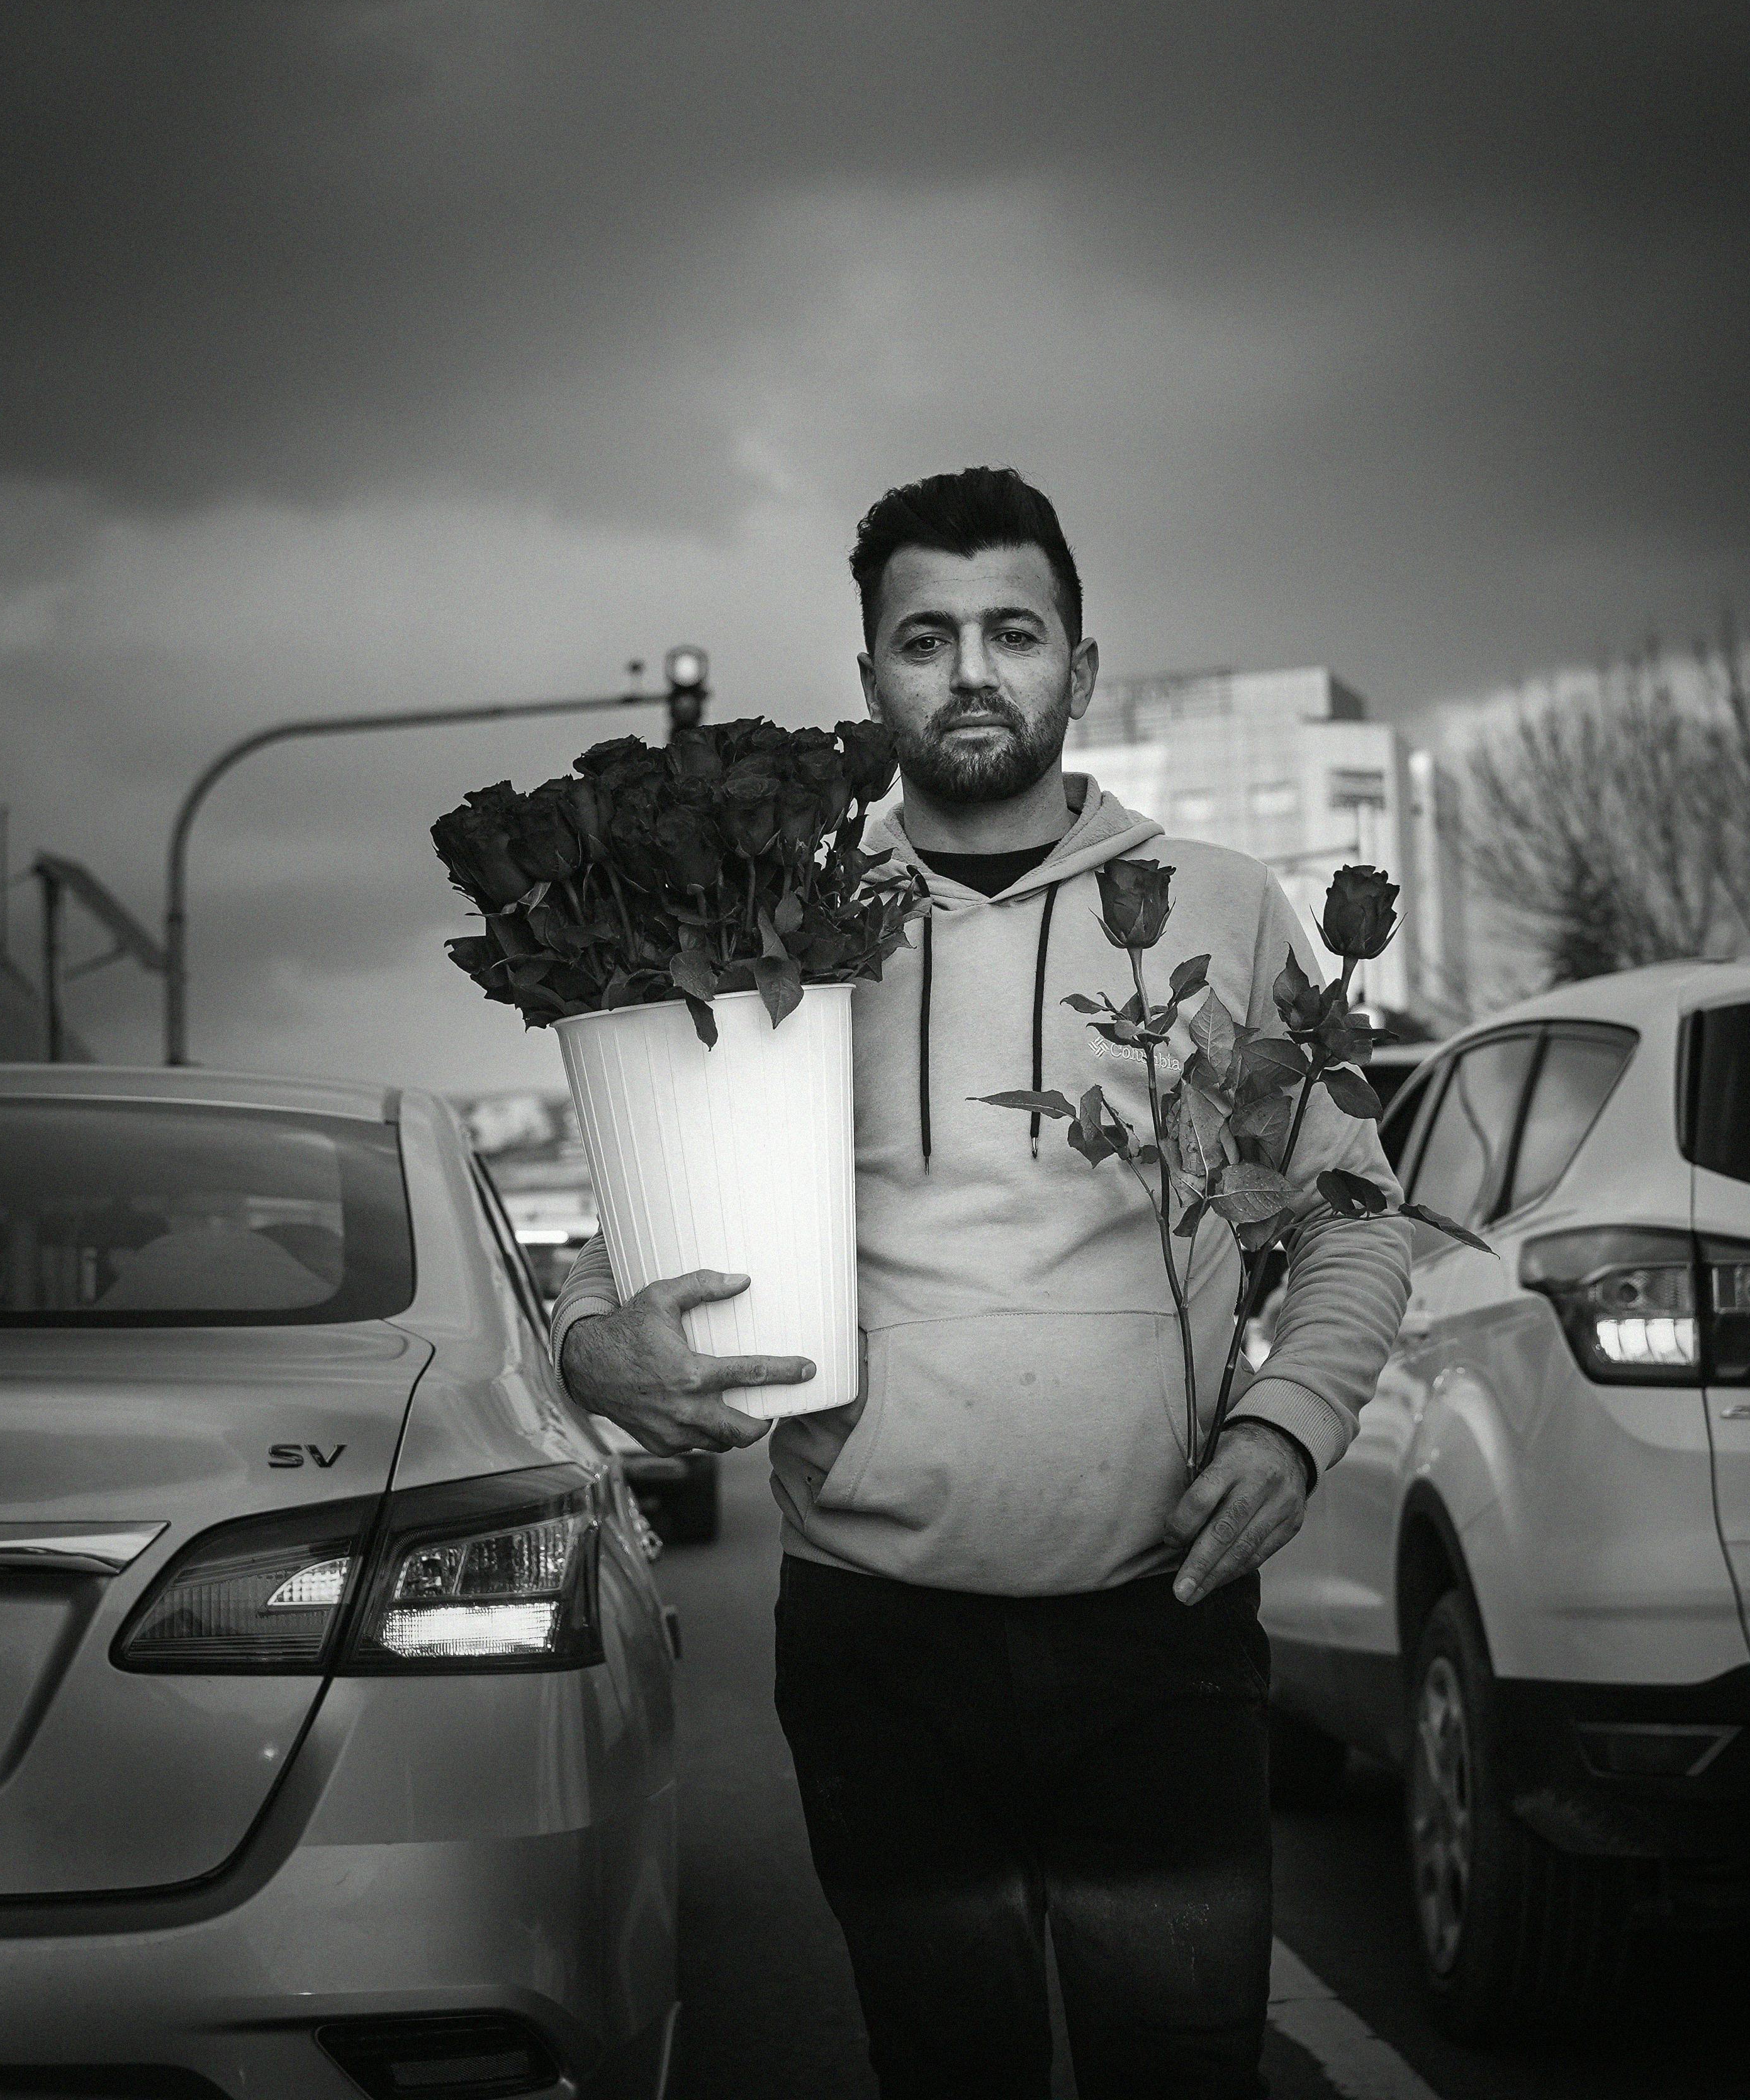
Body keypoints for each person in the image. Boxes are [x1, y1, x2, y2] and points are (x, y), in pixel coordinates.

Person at [551, 466, 1411, 2099]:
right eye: (924, 637)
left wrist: (1291, 1426)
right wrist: (598, 1342)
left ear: (1081, 670)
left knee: (1183, 2073)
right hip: (876, 1641)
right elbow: (638, 1213)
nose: (971, 671)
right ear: (870, 679)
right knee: (951, 2071)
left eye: (1014, 631)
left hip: (1161, 1624)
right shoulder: (777, 925)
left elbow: (1356, 1210)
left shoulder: (1226, 909)